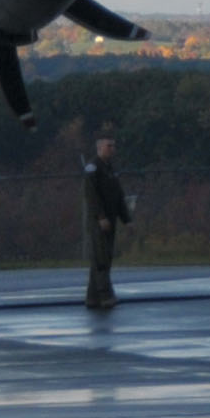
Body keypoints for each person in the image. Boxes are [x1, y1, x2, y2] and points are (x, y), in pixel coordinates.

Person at [81, 132, 133, 311]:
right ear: (99, 147)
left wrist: (126, 219)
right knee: (101, 258)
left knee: (103, 258)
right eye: (109, 146)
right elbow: (91, 196)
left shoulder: (110, 168)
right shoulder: (93, 168)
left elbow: (118, 196)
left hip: (111, 219)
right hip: (99, 221)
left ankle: (92, 298)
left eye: (113, 146)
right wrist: (101, 217)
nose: (112, 149)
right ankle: (105, 296)